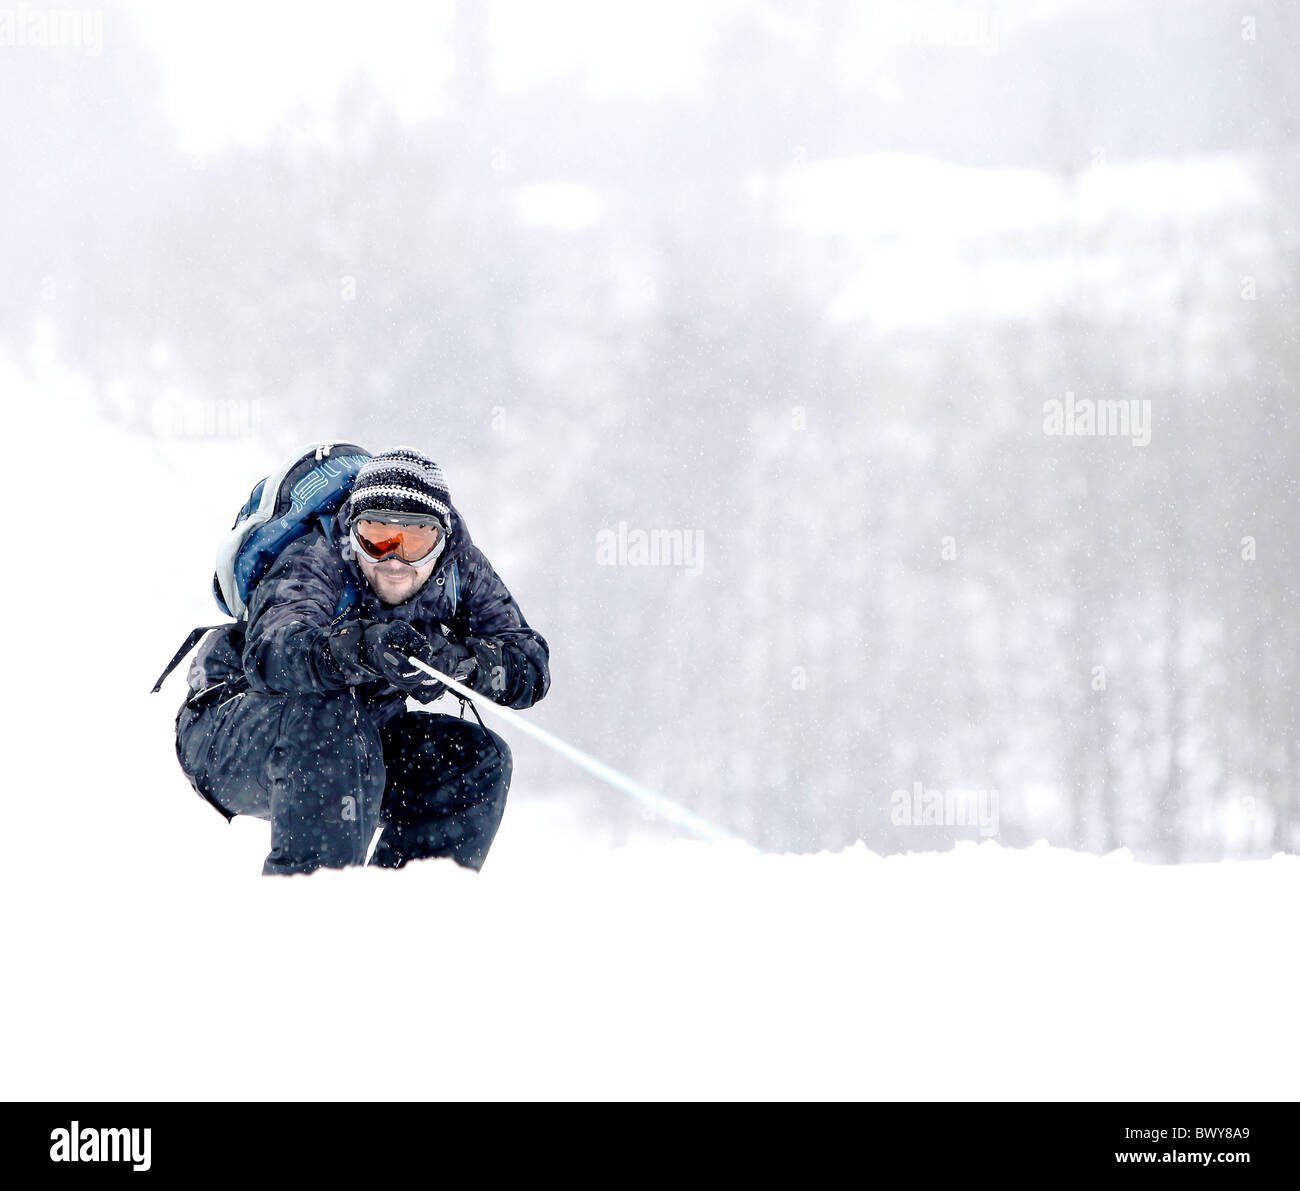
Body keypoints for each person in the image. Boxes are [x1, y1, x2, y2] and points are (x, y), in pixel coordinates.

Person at [174, 447, 550, 875]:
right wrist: (361, 647)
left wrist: (457, 663)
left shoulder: (461, 568)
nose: (394, 560)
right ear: (353, 534)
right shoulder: (316, 558)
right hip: (231, 728)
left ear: (442, 540)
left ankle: (400, 913)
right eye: (377, 537)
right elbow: (273, 652)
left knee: (477, 760)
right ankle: (306, 918)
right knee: (333, 722)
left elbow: (530, 664)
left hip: (360, 739)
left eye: (415, 541)